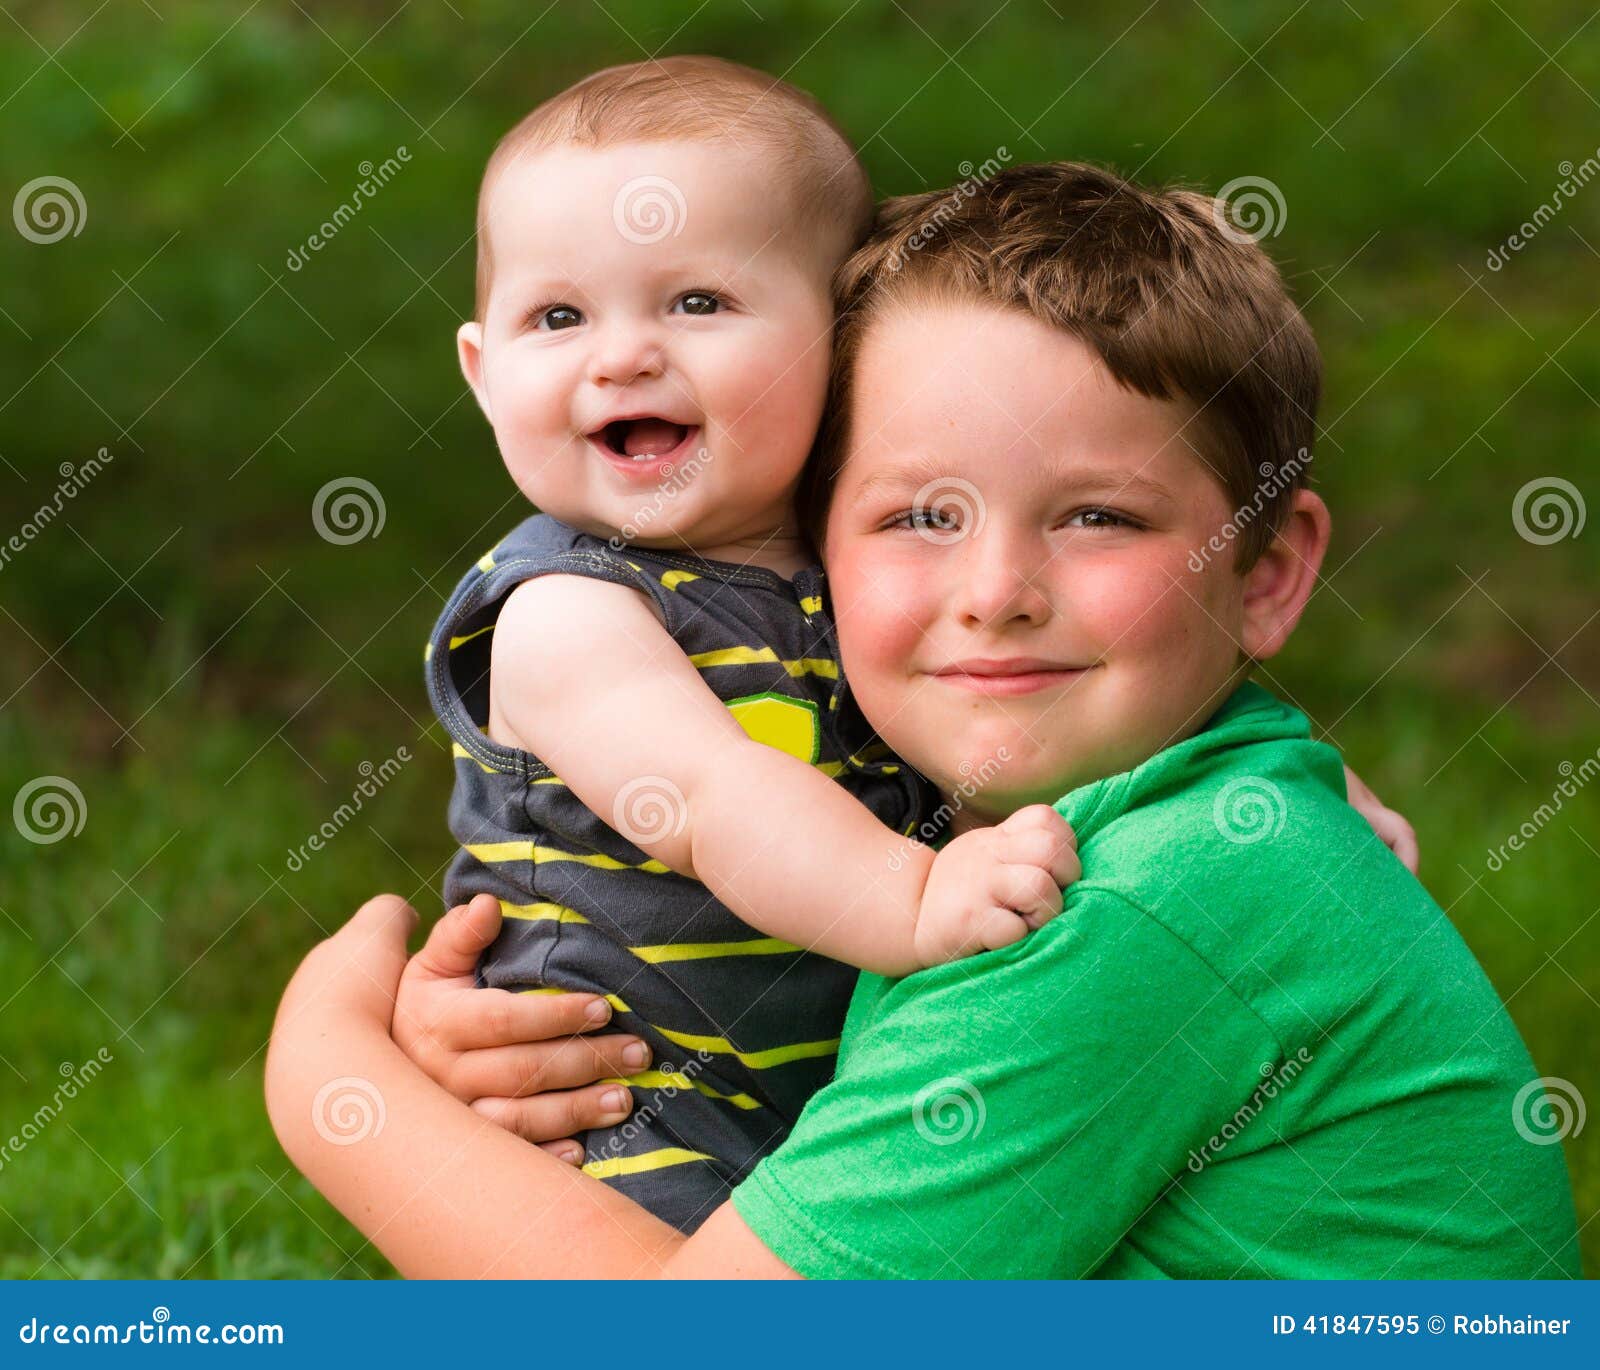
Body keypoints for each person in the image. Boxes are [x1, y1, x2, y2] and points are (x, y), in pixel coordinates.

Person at [264, 159, 1568, 1279]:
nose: (995, 593)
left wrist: (340, 1084)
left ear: (1267, 568)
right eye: (918, 517)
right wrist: (508, 1047)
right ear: (808, 554)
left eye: (1099, 515)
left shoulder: (1117, 914)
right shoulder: (1127, 835)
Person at [411, 55, 1079, 1233]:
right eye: (557, 316)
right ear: (482, 370)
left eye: (696, 302)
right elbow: (711, 797)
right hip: (622, 1104)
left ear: (841, 339)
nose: (619, 356)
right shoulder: (563, 611)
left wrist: (1274, 797)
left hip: (835, 1098)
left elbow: (1060, 711)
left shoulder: (865, 566)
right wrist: (919, 896)